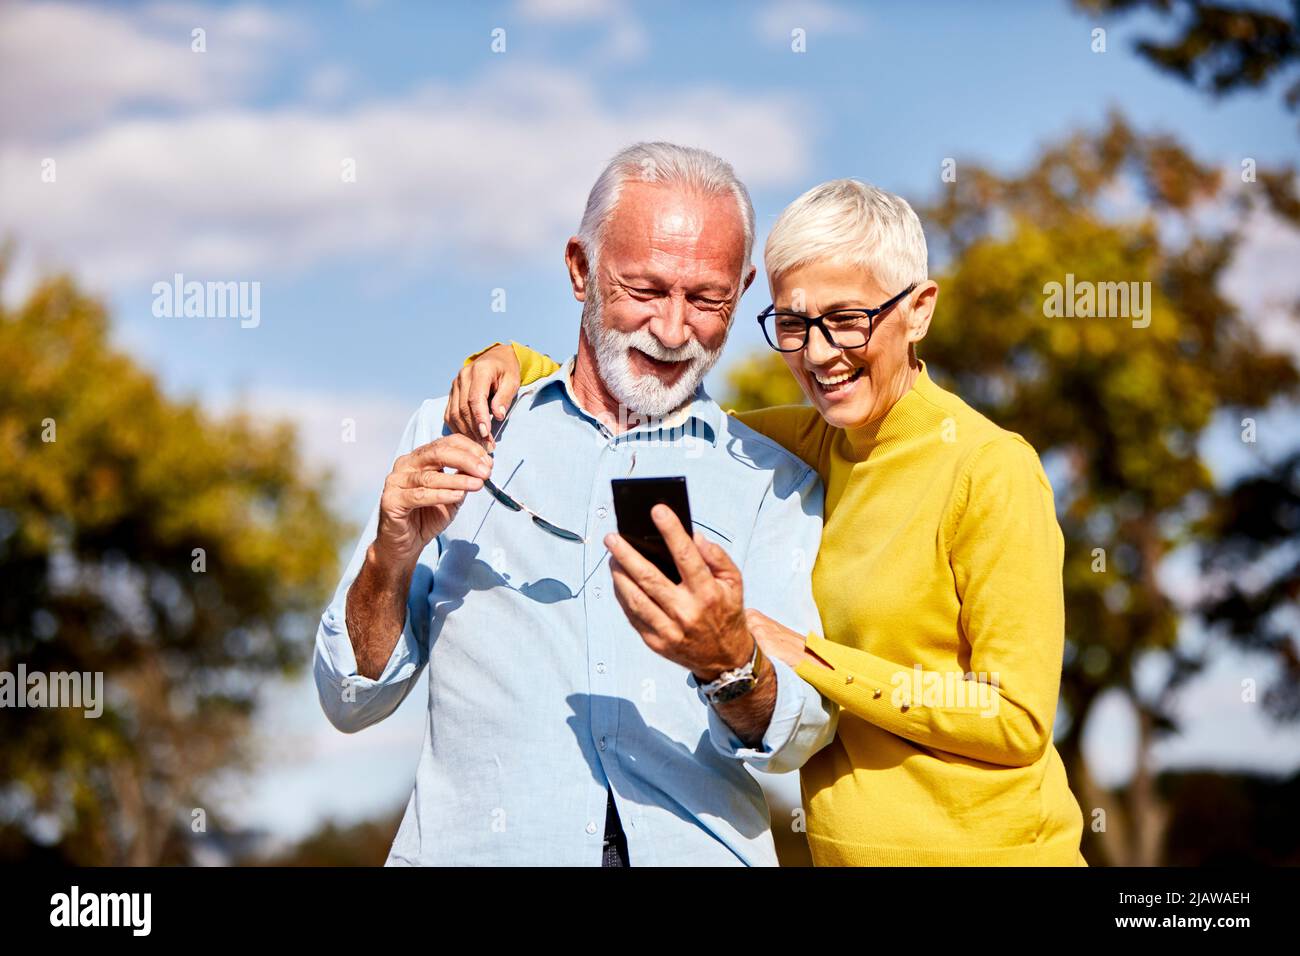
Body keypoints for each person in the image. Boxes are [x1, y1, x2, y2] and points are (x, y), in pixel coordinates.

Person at [451, 178, 1088, 866]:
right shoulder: (819, 442)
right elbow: (657, 412)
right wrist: (518, 361)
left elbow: (1016, 719)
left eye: (847, 320)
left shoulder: (989, 468)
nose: (816, 354)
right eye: (793, 323)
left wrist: (803, 654)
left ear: (920, 309)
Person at [313, 142, 838, 866]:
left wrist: (731, 662)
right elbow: (350, 698)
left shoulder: (773, 482)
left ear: (743, 292)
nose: (675, 328)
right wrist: (390, 556)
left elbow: (800, 731)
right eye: (646, 290)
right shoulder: (455, 430)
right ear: (580, 270)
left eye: (708, 298)